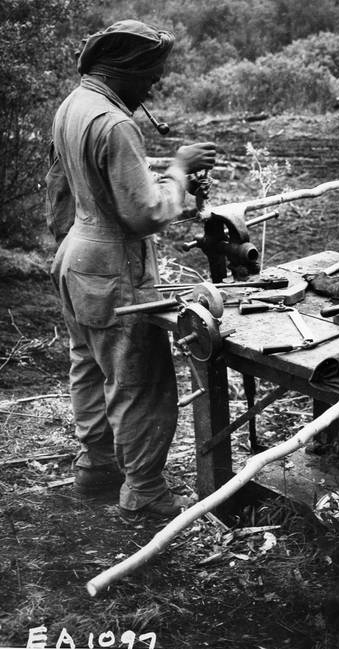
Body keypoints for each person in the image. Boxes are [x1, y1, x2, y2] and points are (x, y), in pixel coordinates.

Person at [46, 20, 217, 520]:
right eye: (152, 74)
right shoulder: (116, 124)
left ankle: (96, 467)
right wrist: (179, 170)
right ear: (126, 69)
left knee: (90, 365)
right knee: (139, 377)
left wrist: (71, 251)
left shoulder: (74, 105)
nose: (154, 85)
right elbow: (144, 215)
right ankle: (144, 491)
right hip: (113, 266)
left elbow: (64, 189)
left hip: (77, 256)